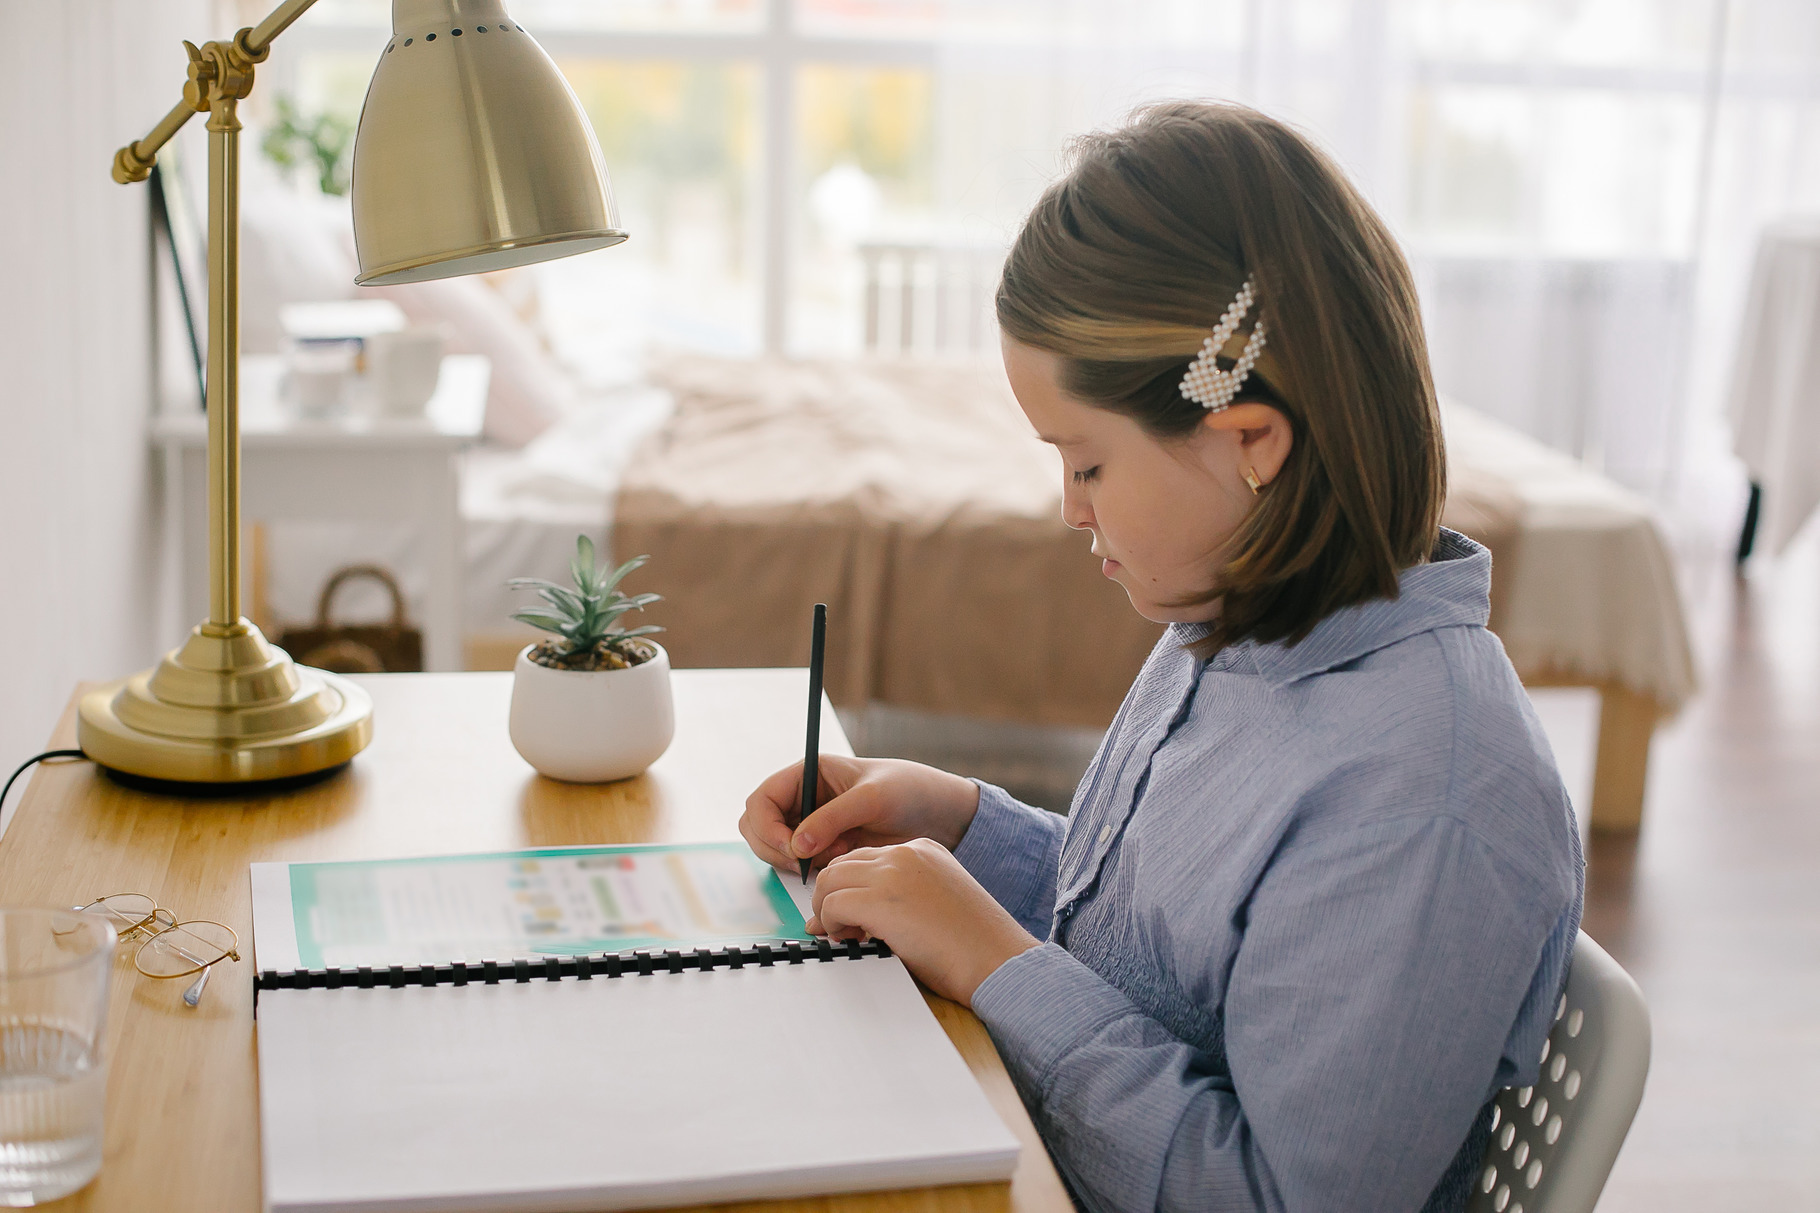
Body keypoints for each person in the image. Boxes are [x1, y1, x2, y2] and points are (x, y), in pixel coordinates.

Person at [739, 101, 1582, 1213]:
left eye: (1085, 465)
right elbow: (1153, 958)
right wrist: (955, 824)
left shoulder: (1422, 798)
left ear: (1249, 442)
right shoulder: (1231, 626)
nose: (1064, 510)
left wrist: (990, 960)